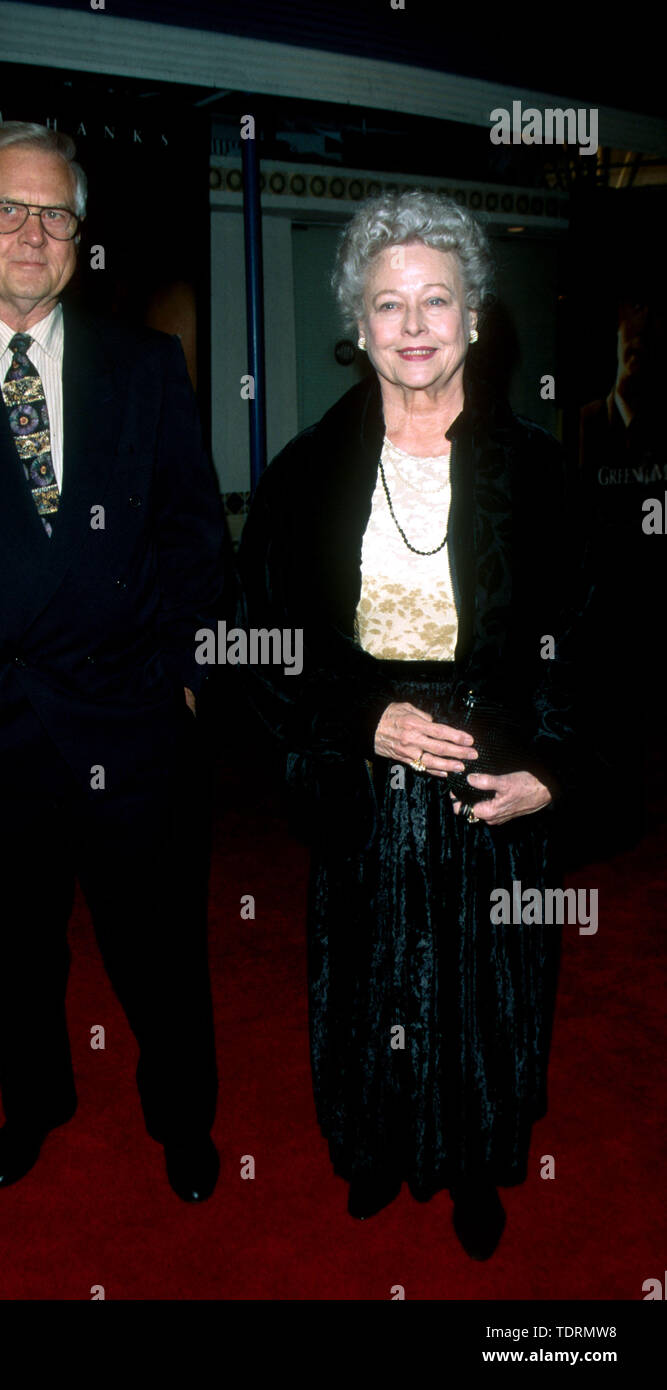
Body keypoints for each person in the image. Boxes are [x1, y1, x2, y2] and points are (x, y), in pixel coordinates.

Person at [0, 122, 227, 1199]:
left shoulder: (146, 367)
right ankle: (38, 1100)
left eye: (54, 213)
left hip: (132, 725)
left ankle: (183, 1119)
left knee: (161, 955)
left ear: (79, 237)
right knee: (11, 959)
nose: (32, 231)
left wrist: (189, 683)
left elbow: (195, 541)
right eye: (8, 209)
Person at [237, 190, 587, 1259]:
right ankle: (379, 1147)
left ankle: (478, 1161)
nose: (417, 323)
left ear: (477, 318)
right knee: (371, 980)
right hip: (367, 785)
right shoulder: (303, 474)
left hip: (496, 783)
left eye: (438, 298)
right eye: (389, 304)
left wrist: (556, 771)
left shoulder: (542, 474)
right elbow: (267, 639)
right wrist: (359, 718)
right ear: (359, 326)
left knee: (488, 990)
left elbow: (597, 643)